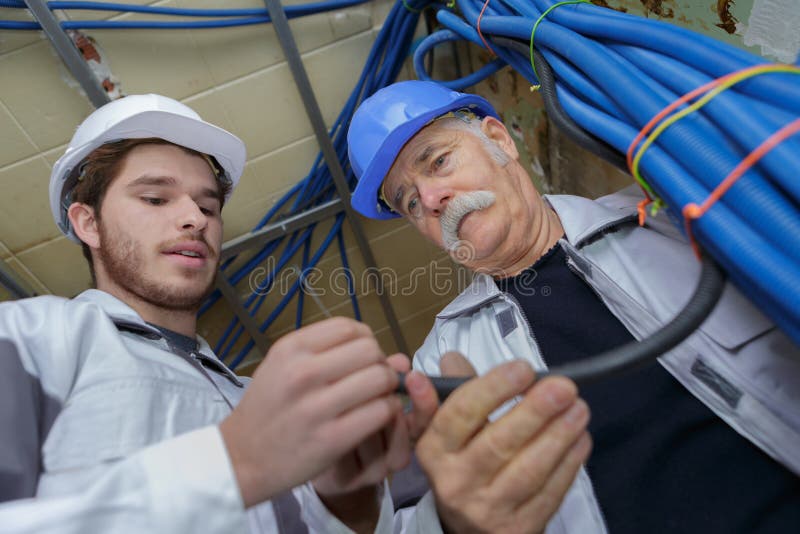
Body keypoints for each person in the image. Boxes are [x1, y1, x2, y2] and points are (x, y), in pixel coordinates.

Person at [347, 80, 800, 533]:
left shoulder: (673, 224)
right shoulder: (438, 369)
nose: (430, 200)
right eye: (409, 201)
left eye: (439, 161)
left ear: (500, 141)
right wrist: (452, 520)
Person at [0, 93, 438, 533]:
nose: (195, 217)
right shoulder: (34, 338)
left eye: (208, 207)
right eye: (155, 199)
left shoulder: (254, 398)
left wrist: (350, 504)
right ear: (88, 223)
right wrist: (237, 462)